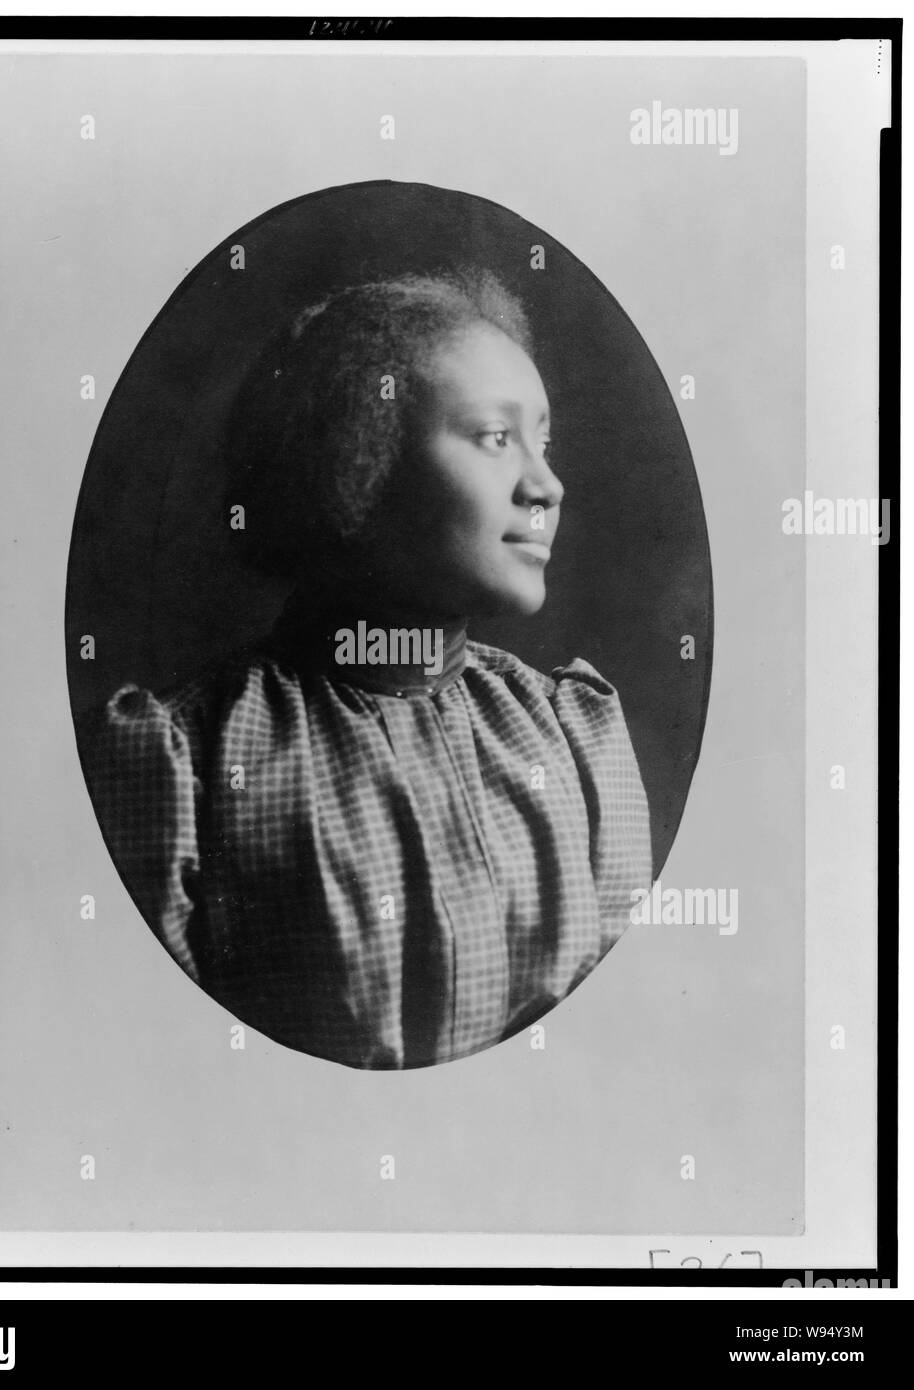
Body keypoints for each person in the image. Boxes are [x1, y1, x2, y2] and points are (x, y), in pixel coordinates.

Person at [85, 268, 651, 1069]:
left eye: (544, 441)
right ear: (360, 457)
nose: (545, 485)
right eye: (496, 438)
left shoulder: (573, 735)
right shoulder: (184, 764)